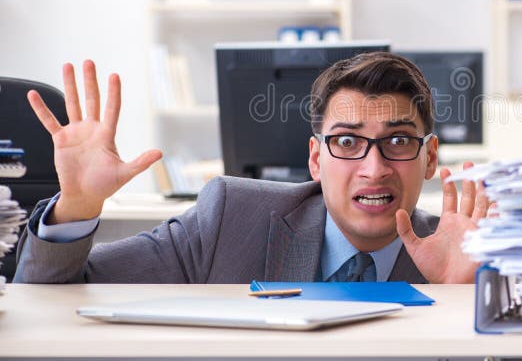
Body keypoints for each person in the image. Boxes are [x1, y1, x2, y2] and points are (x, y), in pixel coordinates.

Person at [14, 53, 489, 284]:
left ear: (429, 159)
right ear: (315, 159)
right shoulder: (231, 220)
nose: (374, 166)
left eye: (398, 142)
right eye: (347, 141)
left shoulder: (462, 254)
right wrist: (76, 207)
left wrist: (457, 303)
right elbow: (51, 298)